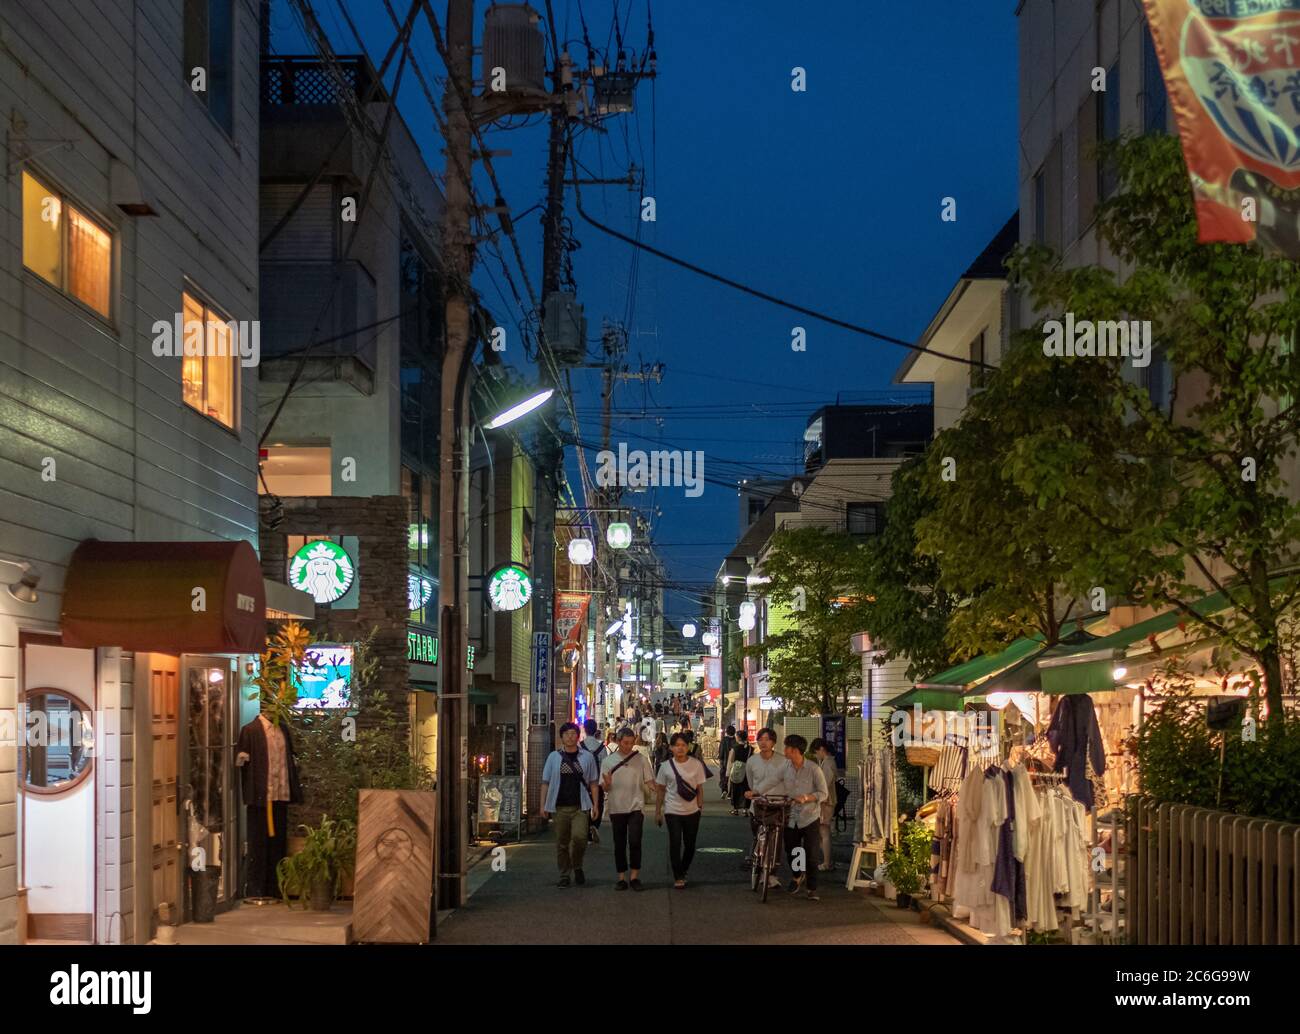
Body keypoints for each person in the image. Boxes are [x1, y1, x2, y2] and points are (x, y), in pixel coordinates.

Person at [540, 722, 601, 888]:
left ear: (578, 735)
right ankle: (565, 874)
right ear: (561, 737)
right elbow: (545, 782)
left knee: (580, 838)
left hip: (580, 806)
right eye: (566, 734)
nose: (570, 737)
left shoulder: (587, 757)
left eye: (573, 733)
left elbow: (594, 783)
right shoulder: (554, 757)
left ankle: (577, 865)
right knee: (562, 842)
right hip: (559, 807)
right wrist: (542, 805)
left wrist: (595, 805)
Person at [601, 726, 657, 891]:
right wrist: (608, 783)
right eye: (625, 743)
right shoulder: (608, 762)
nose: (628, 746)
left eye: (631, 743)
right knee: (619, 843)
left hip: (636, 806)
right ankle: (621, 877)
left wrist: (661, 791)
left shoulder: (640, 759)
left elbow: (649, 781)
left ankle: (634, 876)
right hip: (616, 807)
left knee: (635, 841)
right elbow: (604, 788)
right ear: (618, 742)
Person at [654, 732, 708, 889]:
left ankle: (683, 869)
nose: (680, 748)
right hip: (672, 810)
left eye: (683, 745)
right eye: (677, 745)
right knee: (675, 843)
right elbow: (661, 791)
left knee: (690, 845)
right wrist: (658, 811)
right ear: (671, 748)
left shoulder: (696, 764)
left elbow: (699, 788)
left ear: (688, 747)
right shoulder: (665, 767)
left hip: (692, 811)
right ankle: (678, 876)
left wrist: (700, 806)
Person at [780, 734, 828, 901]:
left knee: (812, 853)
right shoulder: (785, 767)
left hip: (810, 817)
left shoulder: (814, 769)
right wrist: (757, 791)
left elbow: (824, 793)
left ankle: (812, 888)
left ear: (795, 750)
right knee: (792, 850)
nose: (784, 750)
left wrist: (807, 797)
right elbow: (774, 782)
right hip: (791, 816)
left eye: (787, 747)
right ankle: (797, 875)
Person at [743, 728, 790, 888]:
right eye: (760, 739)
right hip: (758, 805)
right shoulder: (752, 761)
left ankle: (770, 874)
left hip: (778, 805)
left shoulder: (783, 761)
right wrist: (755, 794)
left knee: (776, 839)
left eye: (767, 739)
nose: (763, 742)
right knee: (759, 836)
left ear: (774, 742)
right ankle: (758, 860)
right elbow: (750, 782)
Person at [811, 738, 839, 872]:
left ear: (821, 749)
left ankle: (827, 862)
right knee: (822, 832)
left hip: (826, 801)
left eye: (816, 752)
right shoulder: (827, 762)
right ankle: (828, 861)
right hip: (827, 801)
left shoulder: (827, 763)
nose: (816, 755)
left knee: (823, 831)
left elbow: (825, 784)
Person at [581, 719, 608, 844]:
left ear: (585, 730)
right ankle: (595, 825)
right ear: (596, 730)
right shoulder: (601, 748)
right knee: (599, 804)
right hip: (597, 782)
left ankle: (586, 830)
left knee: (584, 806)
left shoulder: (580, 746)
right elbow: (605, 766)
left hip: (583, 783)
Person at [725, 729, 753, 815]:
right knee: (746, 788)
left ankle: (735, 809)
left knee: (735, 789)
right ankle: (745, 809)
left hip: (737, 771)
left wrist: (728, 772)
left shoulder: (735, 748)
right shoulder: (750, 749)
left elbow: (731, 760)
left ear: (738, 737)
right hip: (747, 771)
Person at [718, 725, 737, 800]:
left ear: (726, 732)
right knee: (732, 778)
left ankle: (724, 790)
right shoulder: (736, 740)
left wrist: (720, 758)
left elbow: (721, 750)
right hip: (734, 762)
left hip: (725, 761)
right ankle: (730, 794)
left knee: (723, 776)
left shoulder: (724, 740)